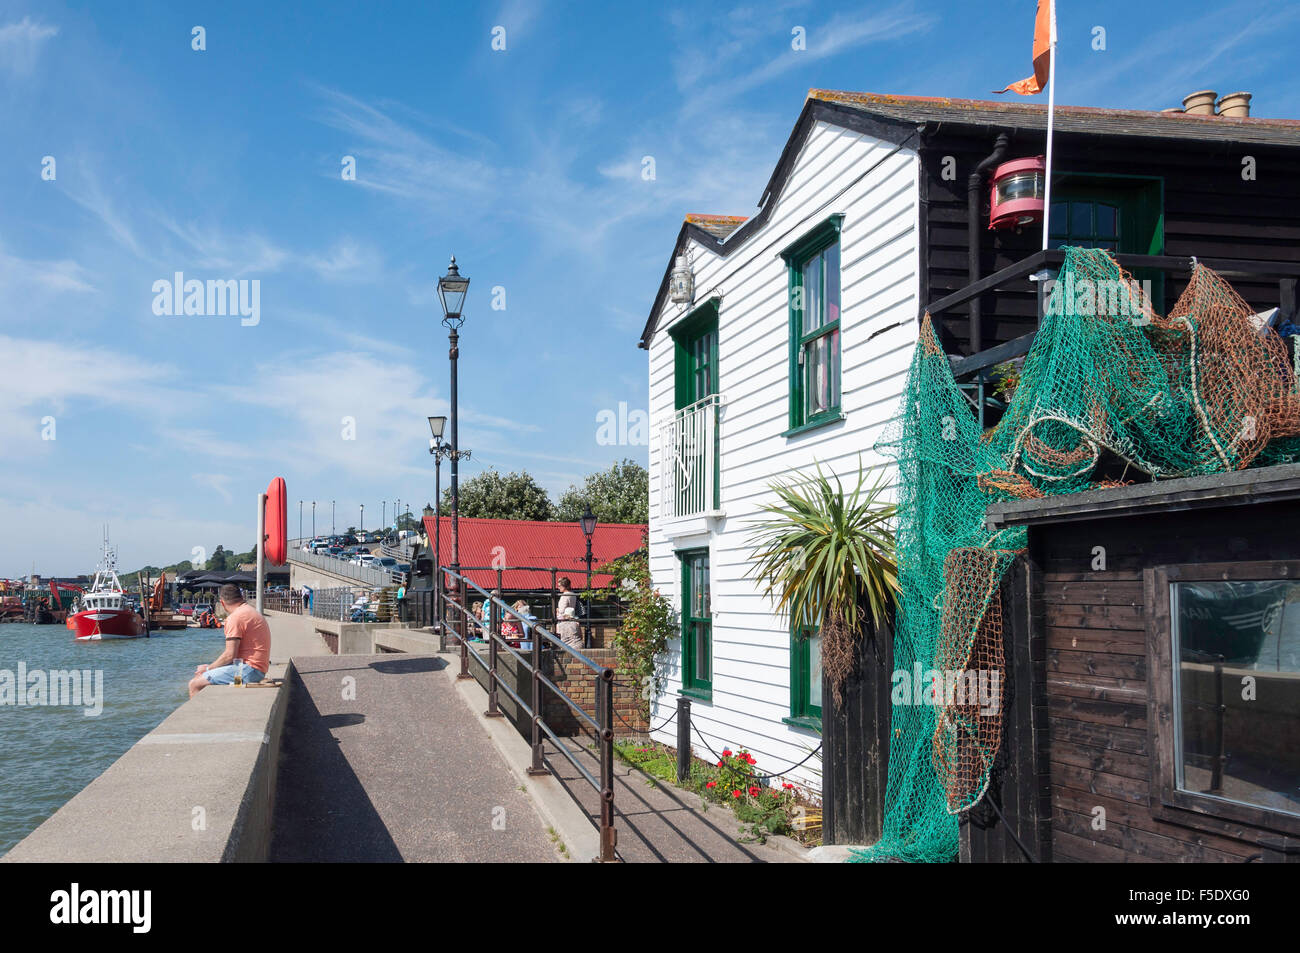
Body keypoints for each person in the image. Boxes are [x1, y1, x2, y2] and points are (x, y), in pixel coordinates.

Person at [188, 584, 271, 698]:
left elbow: (230, 655)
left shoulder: (235, 618)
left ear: (222, 602)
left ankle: (200, 715)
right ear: (241, 597)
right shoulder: (250, 611)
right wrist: (211, 668)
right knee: (208, 674)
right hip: (257, 669)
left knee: (195, 684)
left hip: (249, 671)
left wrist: (207, 669)